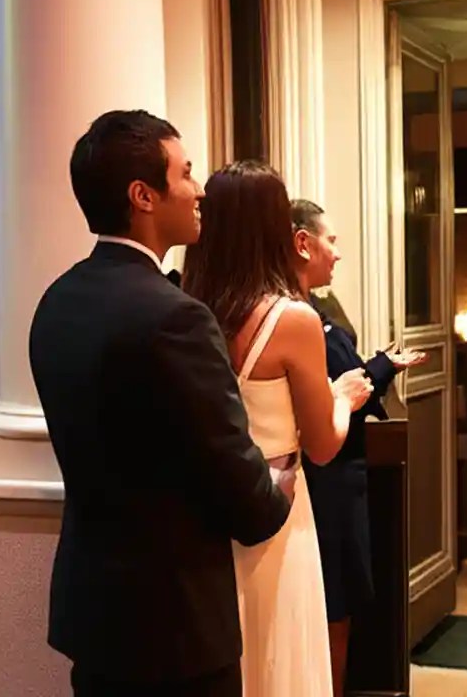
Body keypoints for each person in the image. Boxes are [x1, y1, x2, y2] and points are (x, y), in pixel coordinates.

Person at [29, 111, 294, 697]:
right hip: (174, 629)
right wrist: (276, 487)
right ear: (143, 196)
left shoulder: (57, 301)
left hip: (93, 615)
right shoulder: (175, 316)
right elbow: (231, 470)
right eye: (187, 173)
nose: (201, 190)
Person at [182, 161, 374, 697]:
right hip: (278, 512)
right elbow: (322, 443)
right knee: (279, 654)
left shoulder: (187, 308)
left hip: (205, 517)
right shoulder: (291, 318)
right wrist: (343, 397)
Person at [288, 198, 427, 696]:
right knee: (330, 612)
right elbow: (339, 394)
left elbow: (347, 380)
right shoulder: (294, 316)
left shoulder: (317, 309)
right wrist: (378, 371)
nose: (337, 254)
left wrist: (373, 370)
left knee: (337, 609)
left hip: (339, 479)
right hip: (323, 482)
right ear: (302, 243)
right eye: (332, 241)